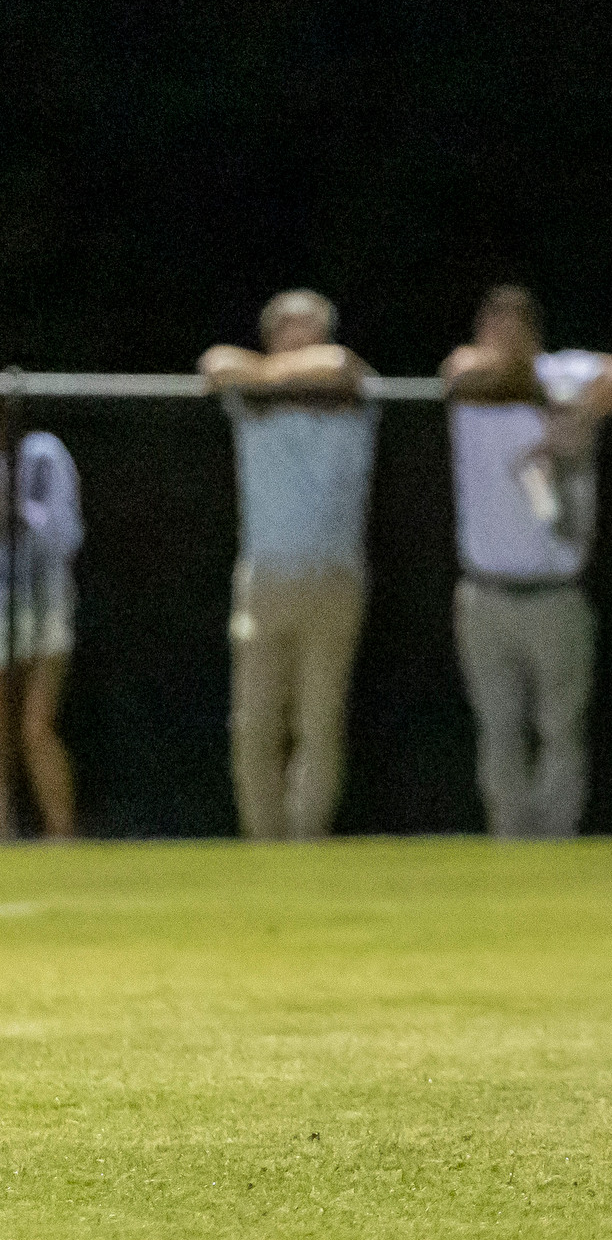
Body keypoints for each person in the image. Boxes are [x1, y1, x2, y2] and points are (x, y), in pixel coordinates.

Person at [442, 286, 612, 838]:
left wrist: (572, 421)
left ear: (533, 332)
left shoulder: (563, 370)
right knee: (498, 729)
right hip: (485, 593)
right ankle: (509, 839)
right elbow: (462, 374)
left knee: (560, 728)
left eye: (514, 328)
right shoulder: (471, 374)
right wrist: (556, 403)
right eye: (494, 327)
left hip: (556, 591)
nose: (502, 340)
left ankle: (553, 841)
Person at [198, 289, 377, 840]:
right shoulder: (251, 401)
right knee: (253, 723)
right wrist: (272, 375)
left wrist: (268, 373)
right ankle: (264, 839)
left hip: (333, 576)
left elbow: (337, 365)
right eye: (285, 327)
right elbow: (214, 363)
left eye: (307, 326)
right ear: (270, 336)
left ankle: (306, 839)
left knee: (319, 722)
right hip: (263, 577)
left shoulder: (351, 391)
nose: (297, 336)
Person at [0, 399, 80, 839]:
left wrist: (15, 512)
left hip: (45, 603)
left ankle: (61, 838)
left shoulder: (42, 452)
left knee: (35, 726)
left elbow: (66, 534)